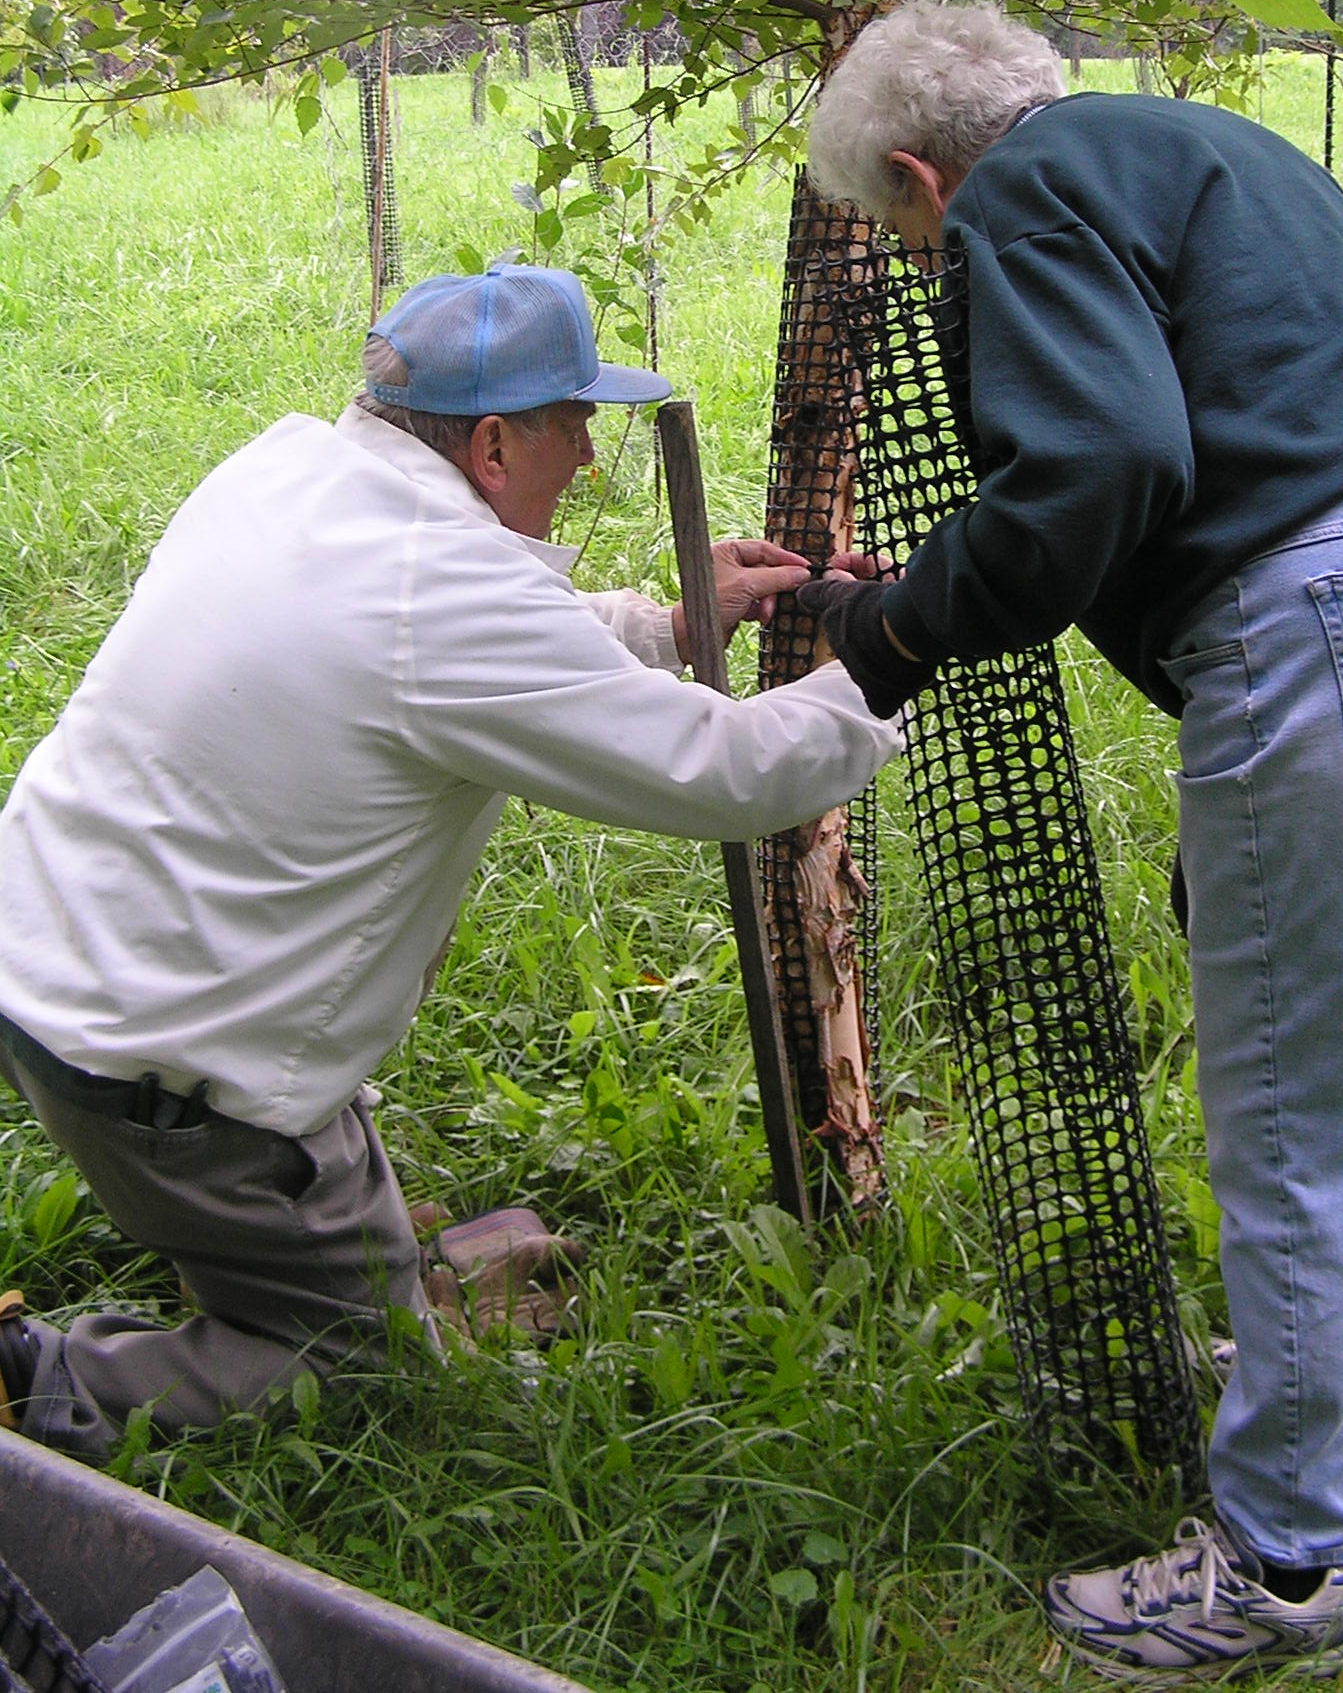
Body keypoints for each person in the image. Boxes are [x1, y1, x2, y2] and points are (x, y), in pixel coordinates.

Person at [797, 0, 1343, 1682]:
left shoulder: (1016, 195)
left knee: (1304, 1114)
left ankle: (1286, 1569)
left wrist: (885, 630)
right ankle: (1303, 1375)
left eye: (902, 232)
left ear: (912, 171)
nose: (921, 255)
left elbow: (1098, 463)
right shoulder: (1184, 137)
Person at [0, 263, 900, 1462]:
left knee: (362, 1265)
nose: (586, 455)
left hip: (60, 971)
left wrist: (668, 629)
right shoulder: (440, 592)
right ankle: (38, 1382)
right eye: (572, 422)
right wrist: (891, 659)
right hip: (171, 1070)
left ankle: (321, 1241)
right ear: (488, 445)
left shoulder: (295, 469)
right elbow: (727, 771)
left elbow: (456, 631)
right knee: (358, 1376)